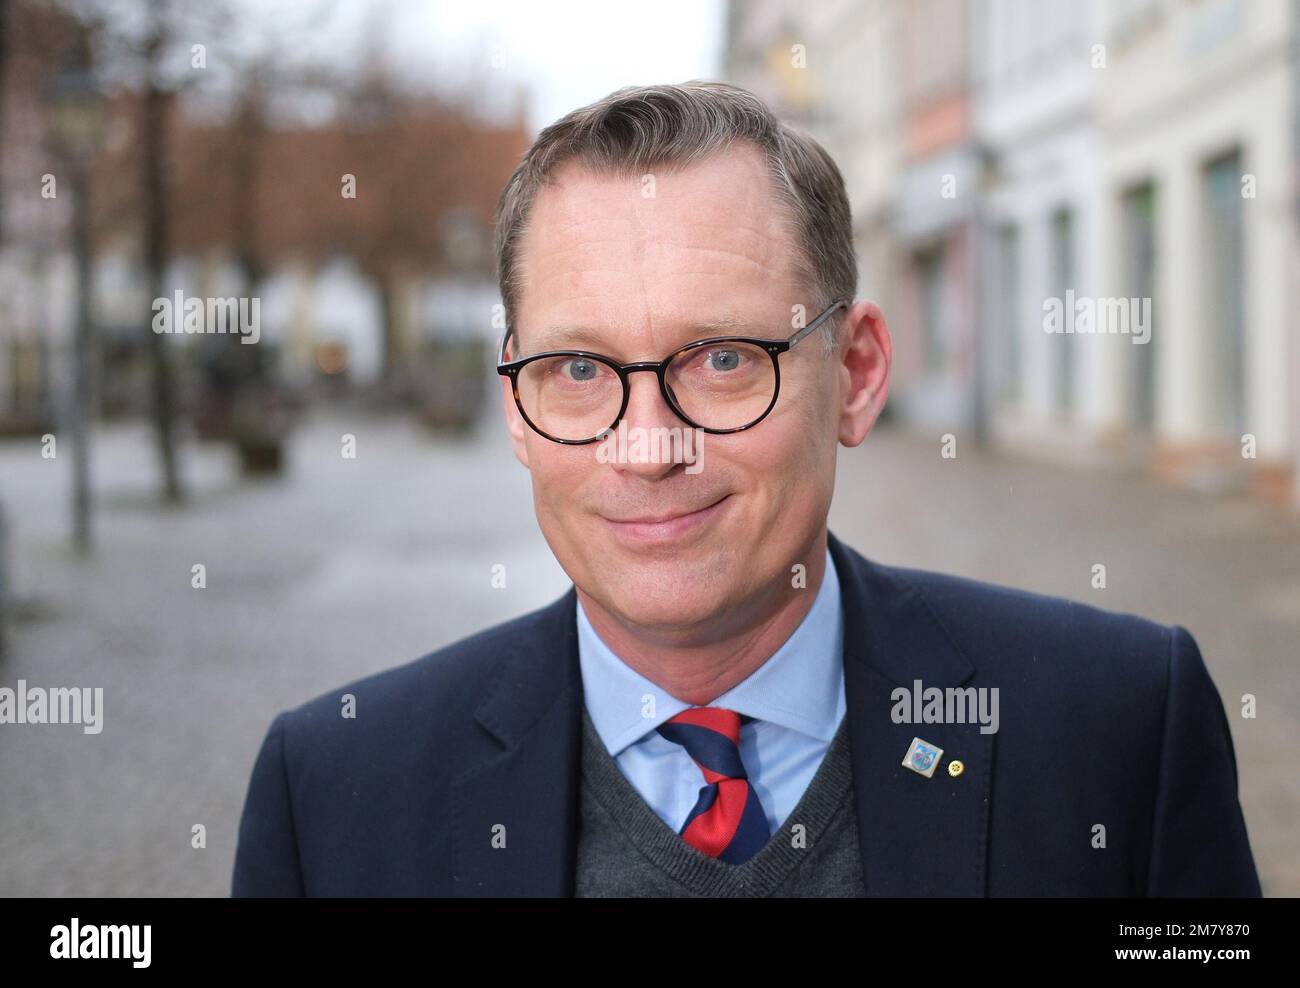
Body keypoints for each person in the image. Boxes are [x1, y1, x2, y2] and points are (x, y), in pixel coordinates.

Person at [232, 81, 1260, 897]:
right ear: (513, 401)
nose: (645, 446)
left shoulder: (1116, 727)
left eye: (721, 358)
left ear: (855, 374)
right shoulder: (332, 792)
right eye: (579, 371)